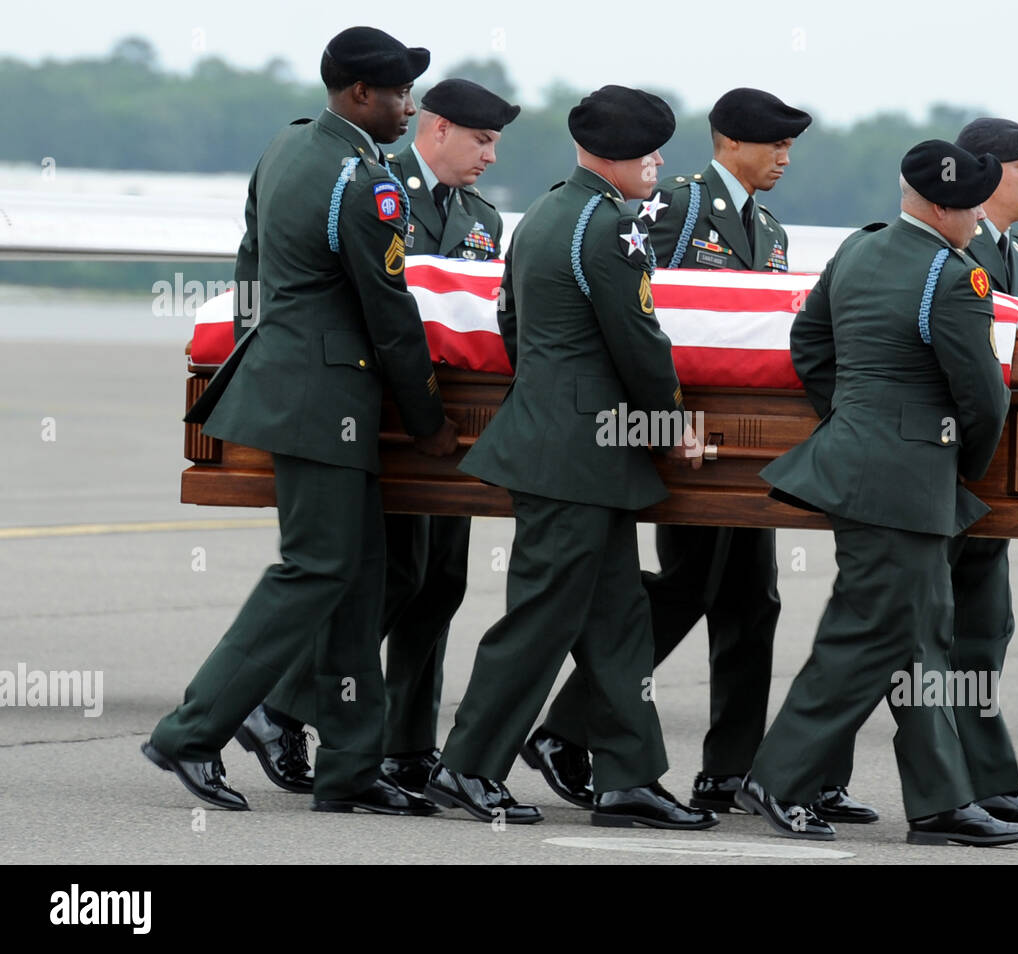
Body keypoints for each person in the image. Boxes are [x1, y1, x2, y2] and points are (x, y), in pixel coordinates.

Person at [526, 87, 873, 823]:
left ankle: (730, 770)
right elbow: (629, 307)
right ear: (729, 143)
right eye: (774, 144)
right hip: (681, 437)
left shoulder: (770, 233)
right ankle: (566, 729)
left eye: (789, 146)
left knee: (754, 602)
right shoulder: (677, 208)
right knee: (687, 584)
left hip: (745, 447)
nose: (785, 158)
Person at [142, 26, 458, 815]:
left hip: (297, 389)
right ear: (359, 94)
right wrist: (426, 419)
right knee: (315, 569)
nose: (406, 107)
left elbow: (250, 262)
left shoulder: (286, 150)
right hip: (328, 405)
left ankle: (351, 765)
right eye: (396, 94)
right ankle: (191, 730)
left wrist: (262, 346)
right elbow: (390, 313)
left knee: (359, 577)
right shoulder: (362, 181)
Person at [423, 85, 716, 830]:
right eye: (649, 151)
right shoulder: (609, 226)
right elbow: (639, 341)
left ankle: (629, 779)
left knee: (617, 620)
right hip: (579, 458)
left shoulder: (548, 214)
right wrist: (671, 423)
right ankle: (466, 768)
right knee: (542, 620)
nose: (656, 163)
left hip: (572, 447)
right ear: (615, 156)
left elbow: (510, 321)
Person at [738, 140, 1018, 846]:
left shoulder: (859, 252)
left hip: (865, 469)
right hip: (905, 482)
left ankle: (940, 803)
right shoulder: (956, 278)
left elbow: (809, 343)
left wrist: (854, 417)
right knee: (866, 637)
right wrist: (963, 466)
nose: (972, 216)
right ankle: (775, 779)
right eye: (965, 205)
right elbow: (981, 398)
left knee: (920, 638)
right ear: (938, 206)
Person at [237, 78, 520, 805]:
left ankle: (406, 745)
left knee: (442, 584)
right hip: (381, 416)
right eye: (481, 140)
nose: (491, 155)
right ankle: (284, 704)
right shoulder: (370, 186)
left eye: (496, 143)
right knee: (392, 575)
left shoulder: (483, 219)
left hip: (453, 425)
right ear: (436, 129)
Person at [938, 116, 1018, 830]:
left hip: (996, 479)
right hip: (946, 471)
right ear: (986, 175)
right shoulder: (952, 253)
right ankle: (800, 778)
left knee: (986, 629)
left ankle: (988, 782)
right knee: (901, 634)